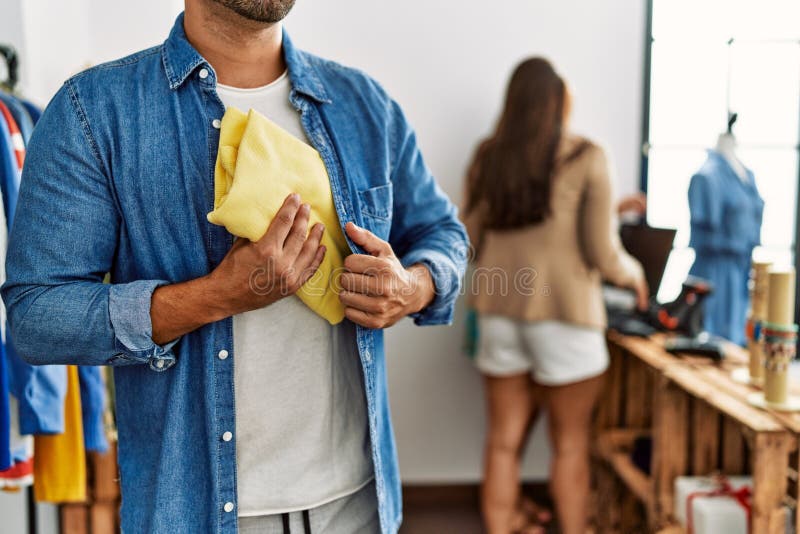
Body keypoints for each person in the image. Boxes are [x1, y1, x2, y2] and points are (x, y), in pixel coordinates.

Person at [1, 1, 467, 532]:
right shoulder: (94, 113)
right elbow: (37, 316)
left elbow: (443, 234)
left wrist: (414, 287)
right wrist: (216, 295)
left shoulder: (366, 107)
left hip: (360, 506)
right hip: (196, 515)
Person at [462, 58, 647, 534]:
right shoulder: (587, 155)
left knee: (503, 442)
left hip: (500, 313)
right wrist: (636, 274)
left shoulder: (488, 156)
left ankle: (503, 526)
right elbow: (602, 253)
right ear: (561, 101)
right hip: (566, 316)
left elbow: (468, 240)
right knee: (569, 444)